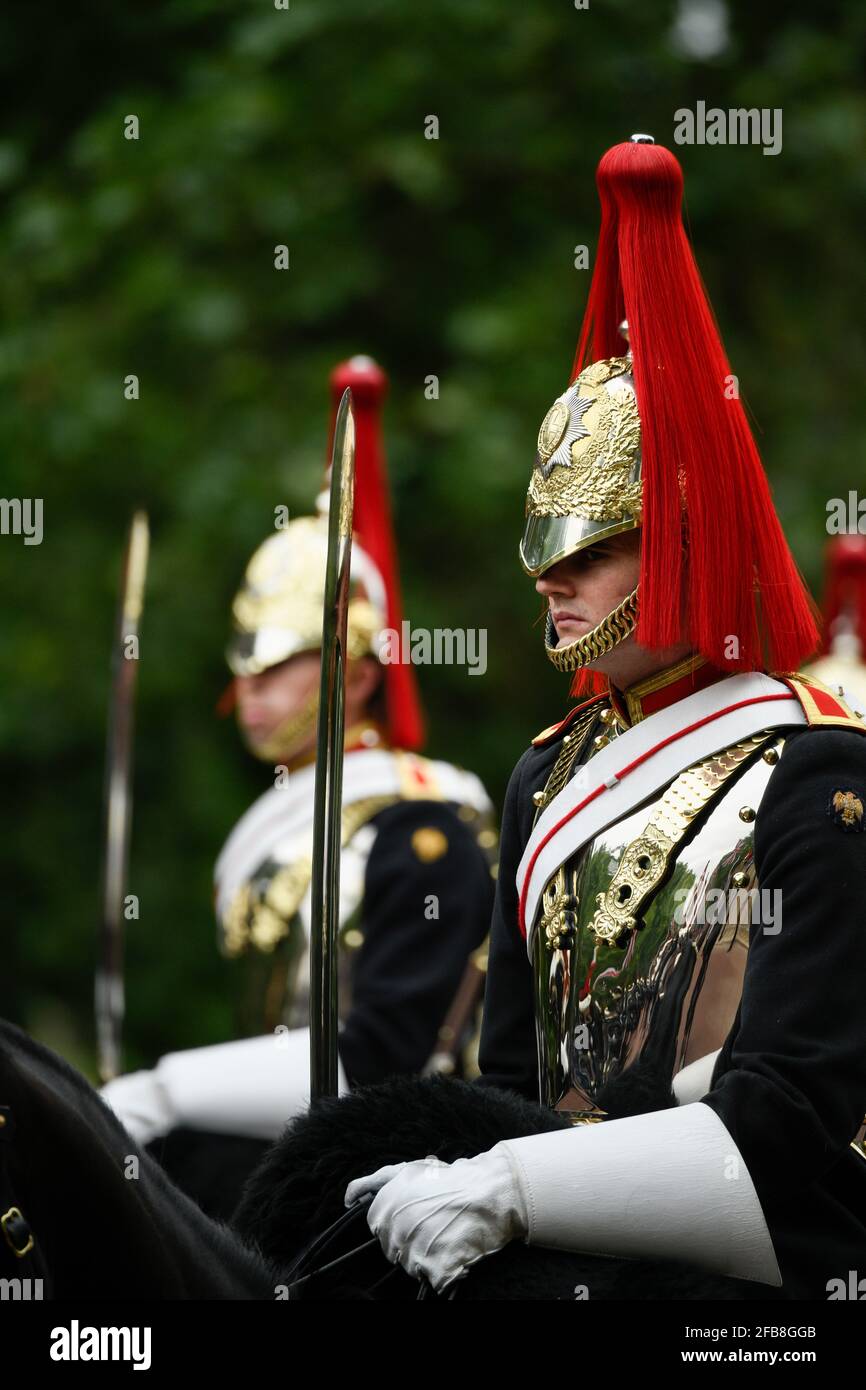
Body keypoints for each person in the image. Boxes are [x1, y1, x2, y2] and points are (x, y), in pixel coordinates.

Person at [344, 139, 866, 1300]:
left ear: (684, 540)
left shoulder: (818, 773)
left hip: (745, 1268)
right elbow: (509, 1083)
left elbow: (784, 1123)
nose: (548, 579)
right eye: (546, 546)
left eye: (590, 548)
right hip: (552, 1244)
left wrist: (517, 1187)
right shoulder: (541, 776)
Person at [101, 357, 496, 1177]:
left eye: (278, 666)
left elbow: (386, 1058)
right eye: (244, 666)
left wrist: (168, 1090)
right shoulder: (277, 814)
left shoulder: (424, 824)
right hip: (280, 1150)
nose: (249, 691)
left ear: (355, 672)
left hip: (402, 1169)